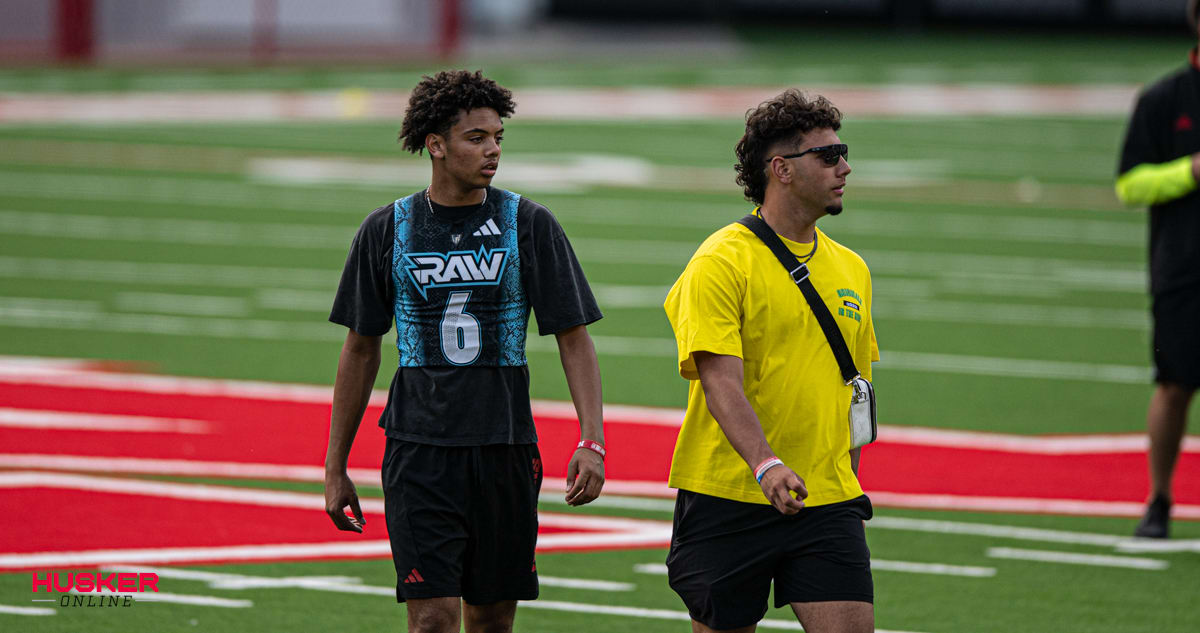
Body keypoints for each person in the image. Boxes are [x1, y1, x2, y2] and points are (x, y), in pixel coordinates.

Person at [322, 69, 606, 633]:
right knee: (430, 621)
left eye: (498, 136)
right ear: (436, 145)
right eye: (476, 137)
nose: (493, 149)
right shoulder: (387, 229)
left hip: (505, 446)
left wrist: (591, 440)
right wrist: (336, 465)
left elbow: (574, 337)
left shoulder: (528, 222)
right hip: (419, 451)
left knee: (494, 620)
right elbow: (360, 350)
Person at [662, 89, 878, 633]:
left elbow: (854, 384)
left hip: (826, 500)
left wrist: (847, 472)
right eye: (829, 156)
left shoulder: (852, 268)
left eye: (843, 153)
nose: (845, 167)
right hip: (729, 495)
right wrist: (766, 466)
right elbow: (721, 385)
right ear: (780, 169)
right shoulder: (720, 261)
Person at [1116, 1, 1200, 539]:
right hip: (1185, 268)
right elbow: (1130, 185)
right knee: (1174, 384)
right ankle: (1160, 499)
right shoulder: (1165, 97)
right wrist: (1190, 170)